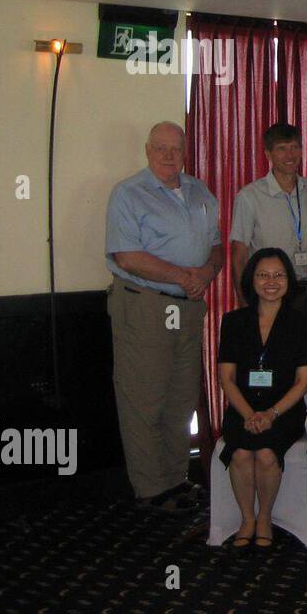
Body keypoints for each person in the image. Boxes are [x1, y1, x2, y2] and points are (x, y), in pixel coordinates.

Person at [105, 121, 222, 509]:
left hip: (188, 309)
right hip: (146, 305)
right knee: (145, 398)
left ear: (186, 150)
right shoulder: (128, 193)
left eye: (176, 148)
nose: (170, 156)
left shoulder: (199, 191)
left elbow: (217, 247)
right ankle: (151, 490)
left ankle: (176, 480)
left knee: (181, 398)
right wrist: (182, 276)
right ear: (147, 150)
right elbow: (126, 256)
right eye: (161, 148)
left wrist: (204, 274)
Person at [217, 248, 307, 547]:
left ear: (289, 281)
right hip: (242, 407)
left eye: (278, 275)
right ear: (252, 280)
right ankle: (247, 518)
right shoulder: (233, 321)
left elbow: (302, 382)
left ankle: (265, 518)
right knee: (240, 453)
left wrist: (271, 414)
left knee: (266, 453)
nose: (271, 282)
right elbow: (227, 378)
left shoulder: (302, 323)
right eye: (263, 275)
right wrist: (248, 414)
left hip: (284, 410)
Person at [229, 122, 307, 321]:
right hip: (268, 295)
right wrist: (244, 304)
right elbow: (239, 254)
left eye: (295, 147)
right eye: (282, 149)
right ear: (268, 154)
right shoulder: (249, 196)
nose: (290, 155)